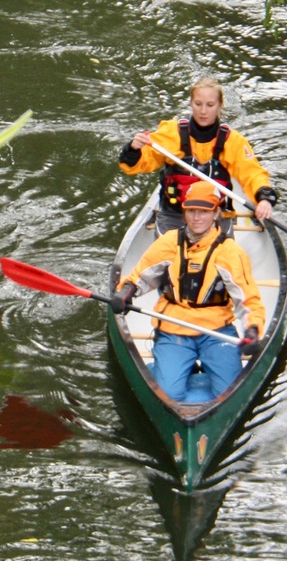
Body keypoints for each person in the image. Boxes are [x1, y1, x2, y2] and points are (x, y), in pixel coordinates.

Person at [112, 181, 264, 402]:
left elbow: (248, 300)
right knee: (169, 395)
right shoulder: (169, 242)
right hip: (173, 328)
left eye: (204, 211)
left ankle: (184, 372)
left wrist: (252, 330)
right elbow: (139, 277)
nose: (196, 217)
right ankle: (172, 369)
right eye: (191, 211)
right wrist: (126, 292)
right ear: (184, 213)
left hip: (217, 331)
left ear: (216, 213)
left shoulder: (230, 252)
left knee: (229, 394)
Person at [118, 76, 277, 234]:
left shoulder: (233, 141)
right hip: (175, 214)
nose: (203, 111)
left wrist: (264, 198)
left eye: (210, 105)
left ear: (220, 106)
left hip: (215, 214)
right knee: (168, 251)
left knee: (221, 250)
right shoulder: (172, 133)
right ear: (191, 103)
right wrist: (134, 149)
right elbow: (134, 166)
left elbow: (252, 173)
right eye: (198, 104)